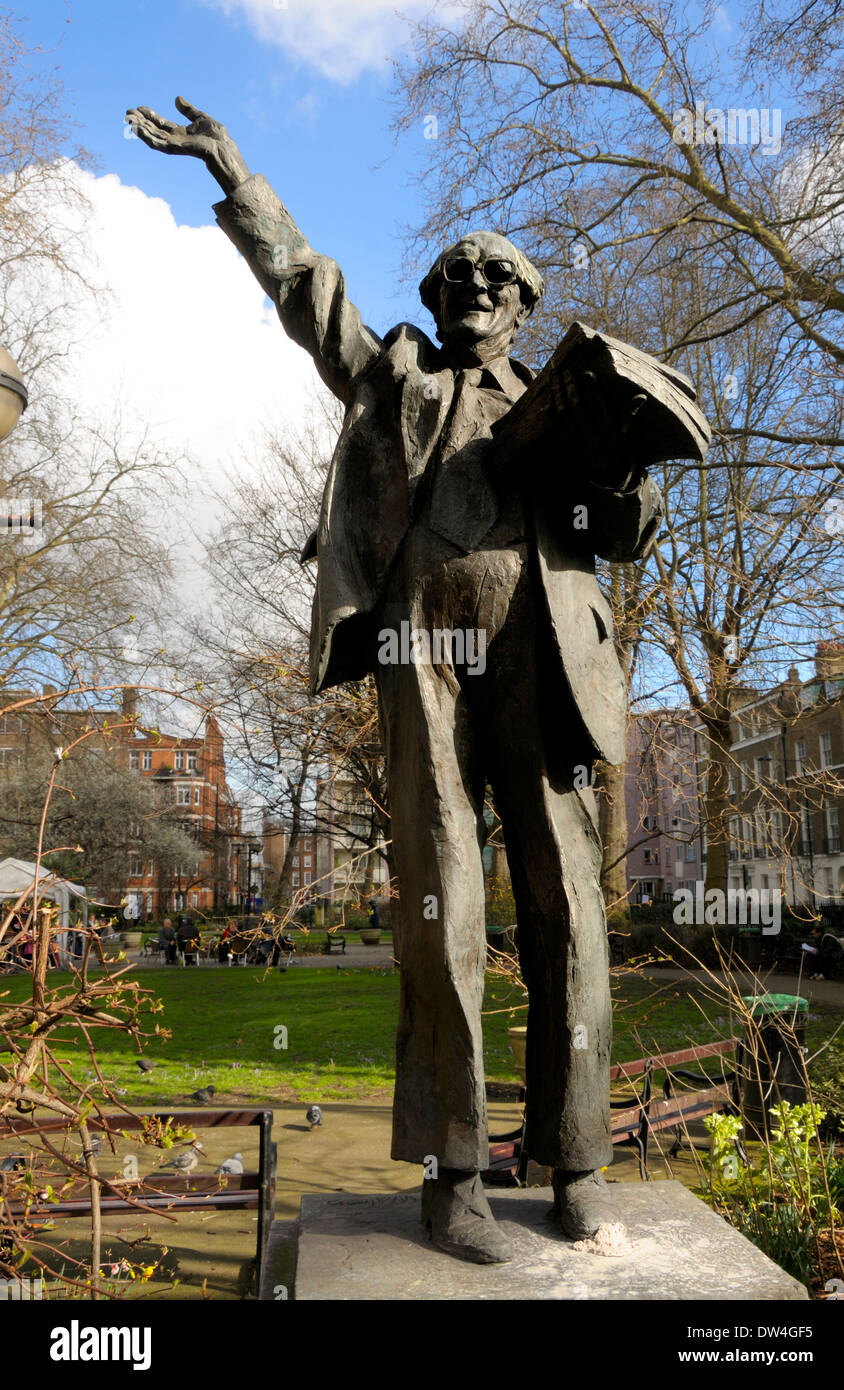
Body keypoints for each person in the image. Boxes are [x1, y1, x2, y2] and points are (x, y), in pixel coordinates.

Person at [127, 97, 705, 1264]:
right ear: (436, 297)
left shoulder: (566, 409)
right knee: (443, 905)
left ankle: (576, 1161)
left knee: (568, 908)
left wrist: (628, 467)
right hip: (420, 659)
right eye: (456, 272)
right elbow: (306, 290)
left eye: (498, 275)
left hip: (543, 663)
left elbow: (620, 528)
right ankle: (453, 1176)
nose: (476, 285)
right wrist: (236, 169)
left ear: (526, 303)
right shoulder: (391, 375)